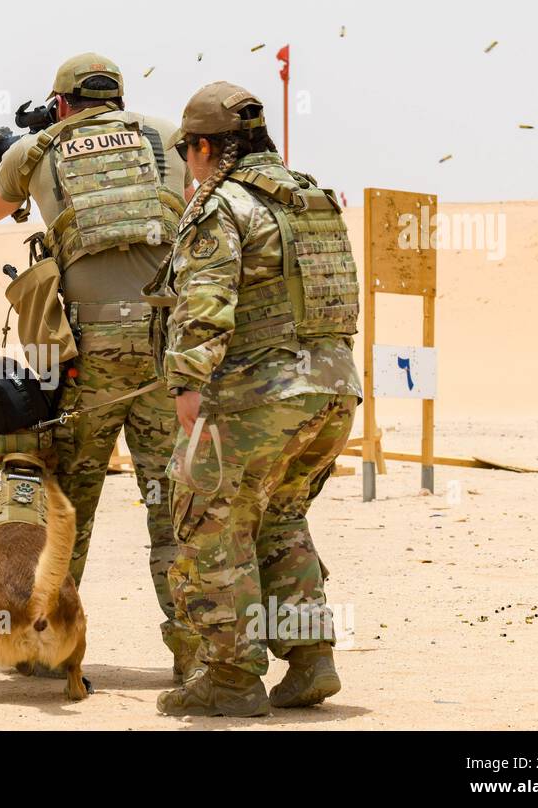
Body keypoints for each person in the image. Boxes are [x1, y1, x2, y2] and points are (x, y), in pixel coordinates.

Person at [0, 53, 199, 678]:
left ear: (61, 103)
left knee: (67, 508)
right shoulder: (169, 139)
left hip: (82, 356)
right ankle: (197, 655)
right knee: (171, 504)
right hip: (164, 349)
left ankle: (44, 640)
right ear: (116, 98)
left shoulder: (37, 149)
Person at [145, 81, 363, 717]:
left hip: (259, 394)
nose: (188, 162)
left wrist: (186, 385)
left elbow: (205, 303)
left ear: (207, 147)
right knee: (282, 519)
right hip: (333, 389)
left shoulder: (224, 205)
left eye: (189, 150)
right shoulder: (309, 197)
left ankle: (232, 677)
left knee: (211, 522)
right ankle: (311, 662)